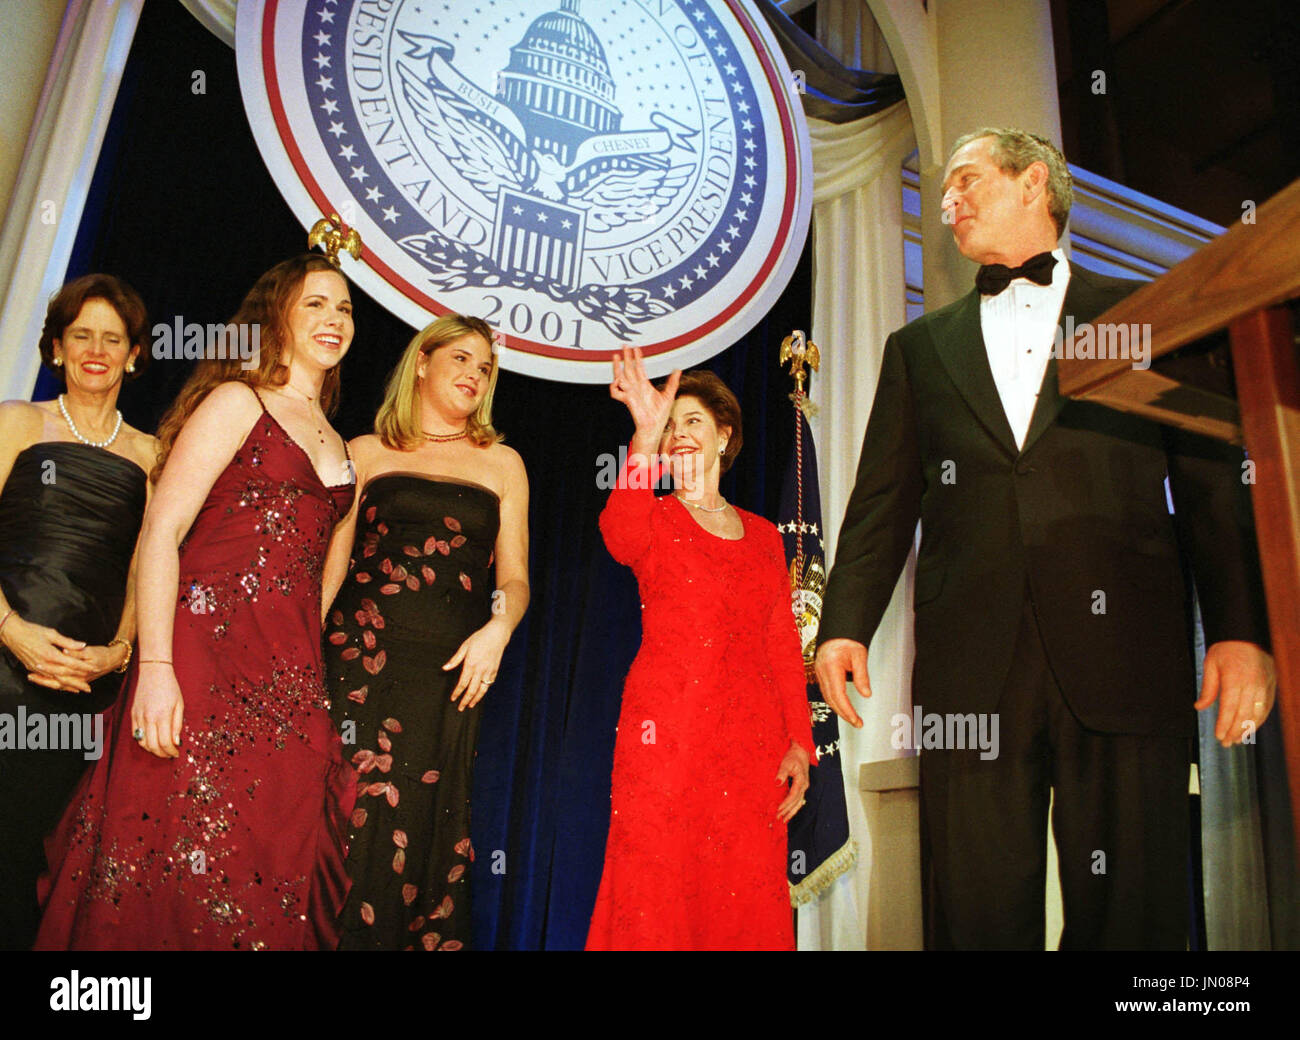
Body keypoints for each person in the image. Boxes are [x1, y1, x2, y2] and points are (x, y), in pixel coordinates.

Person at [815, 127, 1275, 950]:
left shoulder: (1150, 314)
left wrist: (1240, 631)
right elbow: (882, 500)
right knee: (974, 908)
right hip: (970, 665)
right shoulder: (918, 349)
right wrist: (844, 621)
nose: (947, 200)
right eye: (943, 189)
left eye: (967, 180)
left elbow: (1213, 486)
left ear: (1034, 184)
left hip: (1128, 652)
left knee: (1140, 910)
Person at [36, 254, 359, 950]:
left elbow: (321, 585)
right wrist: (155, 666)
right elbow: (162, 531)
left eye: (345, 309)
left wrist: (305, 681)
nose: (334, 320)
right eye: (316, 305)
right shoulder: (239, 401)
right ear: (277, 316)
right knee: (165, 856)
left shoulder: (339, 441)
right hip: (199, 660)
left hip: (286, 683)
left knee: (259, 870)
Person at [585, 348, 815, 951]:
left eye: (693, 422)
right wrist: (643, 431)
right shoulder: (654, 518)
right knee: (656, 882)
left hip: (751, 744)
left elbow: (781, 643)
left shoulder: (766, 537)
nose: (680, 433)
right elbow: (618, 534)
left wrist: (798, 741)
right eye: (672, 424)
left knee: (741, 891)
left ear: (724, 438)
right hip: (666, 735)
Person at [322, 315, 529, 951]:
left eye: (485, 367)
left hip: (448, 672)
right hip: (356, 663)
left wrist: (500, 627)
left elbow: (515, 579)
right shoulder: (365, 451)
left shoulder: (504, 463)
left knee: (415, 825)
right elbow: (329, 571)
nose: (474, 374)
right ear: (422, 362)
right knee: (342, 819)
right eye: (461, 358)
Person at [0, 275, 156, 949]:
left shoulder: (154, 456)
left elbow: (147, 574)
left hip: (90, 689)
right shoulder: (16, 422)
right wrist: (13, 633)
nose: (96, 349)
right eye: (81, 335)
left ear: (134, 356)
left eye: (112, 338)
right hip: (5, 666)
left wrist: (120, 652)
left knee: (44, 863)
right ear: (57, 349)